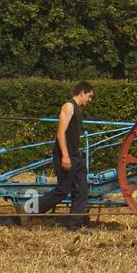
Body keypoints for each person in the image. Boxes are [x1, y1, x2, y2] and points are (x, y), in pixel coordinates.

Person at [35, 83, 95, 230]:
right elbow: (60, 133)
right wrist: (65, 156)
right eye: (90, 96)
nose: (90, 100)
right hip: (66, 155)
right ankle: (29, 209)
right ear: (82, 92)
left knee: (81, 190)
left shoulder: (77, 109)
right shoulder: (69, 106)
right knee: (62, 191)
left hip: (76, 156)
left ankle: (74, 225)